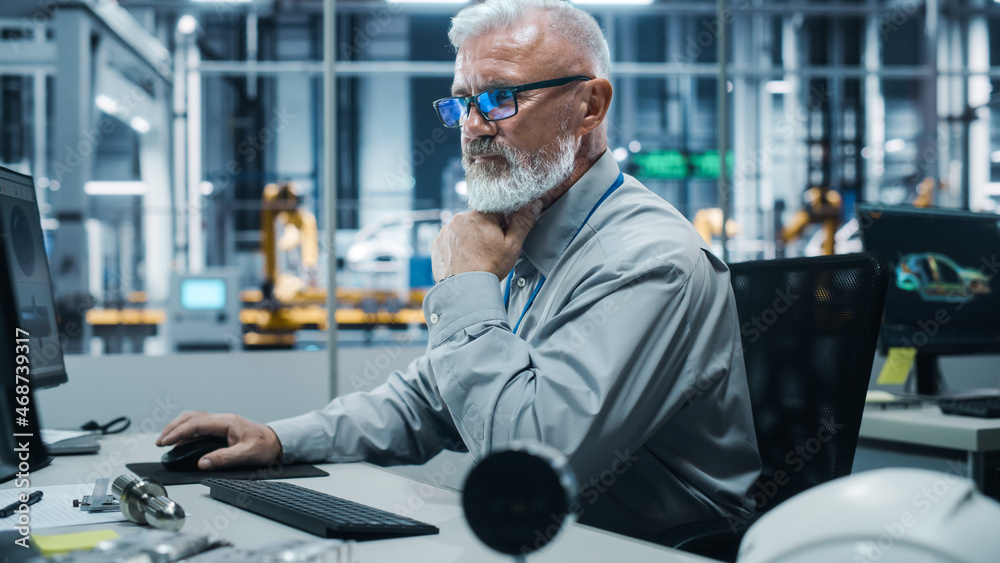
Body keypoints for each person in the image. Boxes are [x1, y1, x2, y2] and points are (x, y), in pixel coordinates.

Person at [158, 0, 761, 541]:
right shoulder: (534, 229)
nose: (473, 126)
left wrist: (465, 286)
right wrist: (281, 439)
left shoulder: (647, 260)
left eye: (500, 98)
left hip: (652, 549)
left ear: (589, 106)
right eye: (462, 102)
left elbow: (525, 462)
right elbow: (432, 400)